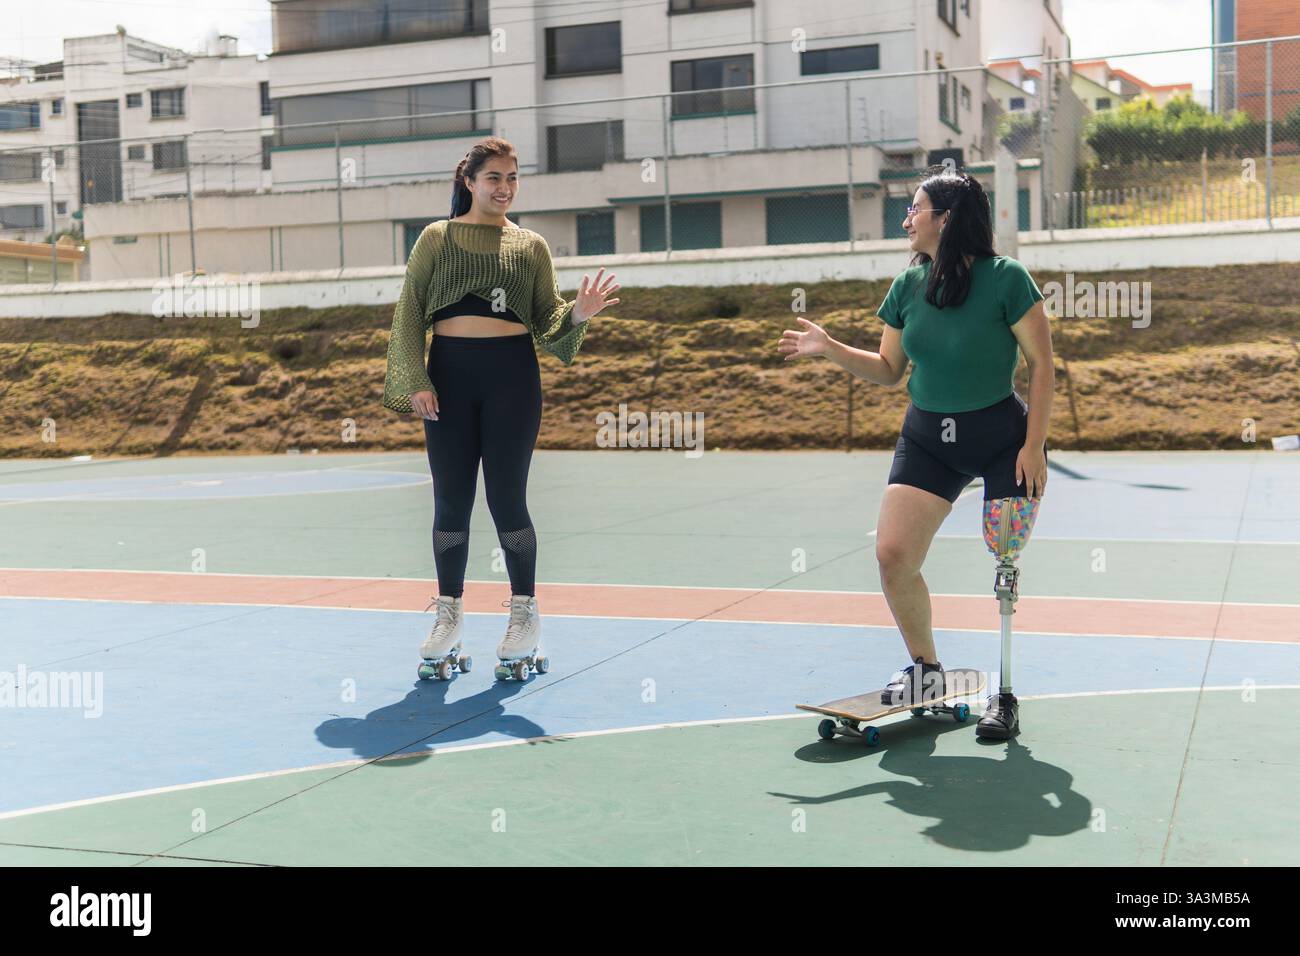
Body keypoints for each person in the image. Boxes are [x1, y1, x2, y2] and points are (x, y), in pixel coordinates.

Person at [778, 166, 1053, 738]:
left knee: (1004, 553)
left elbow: (1042, 365)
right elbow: (888, 372)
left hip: (1002, 439)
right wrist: (828, 348)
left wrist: (1034, 446)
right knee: (893, 555)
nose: (906, 218)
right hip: (929, 436)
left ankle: (1004, 696)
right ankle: (927, 669)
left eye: (915, 209)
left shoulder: (1008, 279)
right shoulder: (908, 286)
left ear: (945, 219)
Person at [382, 136, 620, 677]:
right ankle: (448, 614)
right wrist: (415, 376)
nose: (505, 188)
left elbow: (550, 328)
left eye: (512, 178)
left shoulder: (530, 246)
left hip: (512, 377)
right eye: (494, 178)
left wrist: (579, 314)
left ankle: (524, 613)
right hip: (448, 377)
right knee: (451, 503)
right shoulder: (436, 239)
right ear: (469, 181)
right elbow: (409, 310)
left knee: (508, 501)